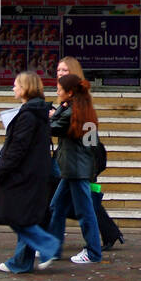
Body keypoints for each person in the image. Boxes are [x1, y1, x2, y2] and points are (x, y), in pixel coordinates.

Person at [0, 72, 61, 273]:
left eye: (16, 85)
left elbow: (18, 147)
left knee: (13, 214)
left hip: (22, 174)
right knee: (24, 215)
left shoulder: (28, 115)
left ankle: (47, 245)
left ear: (25, 88)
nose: (13, 88)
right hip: (34, 173)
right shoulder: (37, 112)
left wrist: (0, 171)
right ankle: (23, 261)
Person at [55, 57, 124, 250]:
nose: (60, 74)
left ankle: (99, 240)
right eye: (59, 70)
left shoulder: (81, 103)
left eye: (65, 71)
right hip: (68, 158)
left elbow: (90, 136)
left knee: (81, 203)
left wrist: (89, 164)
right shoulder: (65, 101)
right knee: (63, 203)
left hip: (79, 161)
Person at [46, 72, 104, 264]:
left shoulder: (71, 112)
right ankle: (53, 249)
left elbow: (53, 128)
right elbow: (91, 143)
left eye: (59, 89)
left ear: (69, 92)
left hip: (75, 169)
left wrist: (51, 115)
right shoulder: (83, 110)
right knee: (57, 207)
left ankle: (93, 252)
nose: (56, 92)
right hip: (76, 168)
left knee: (85, 211)